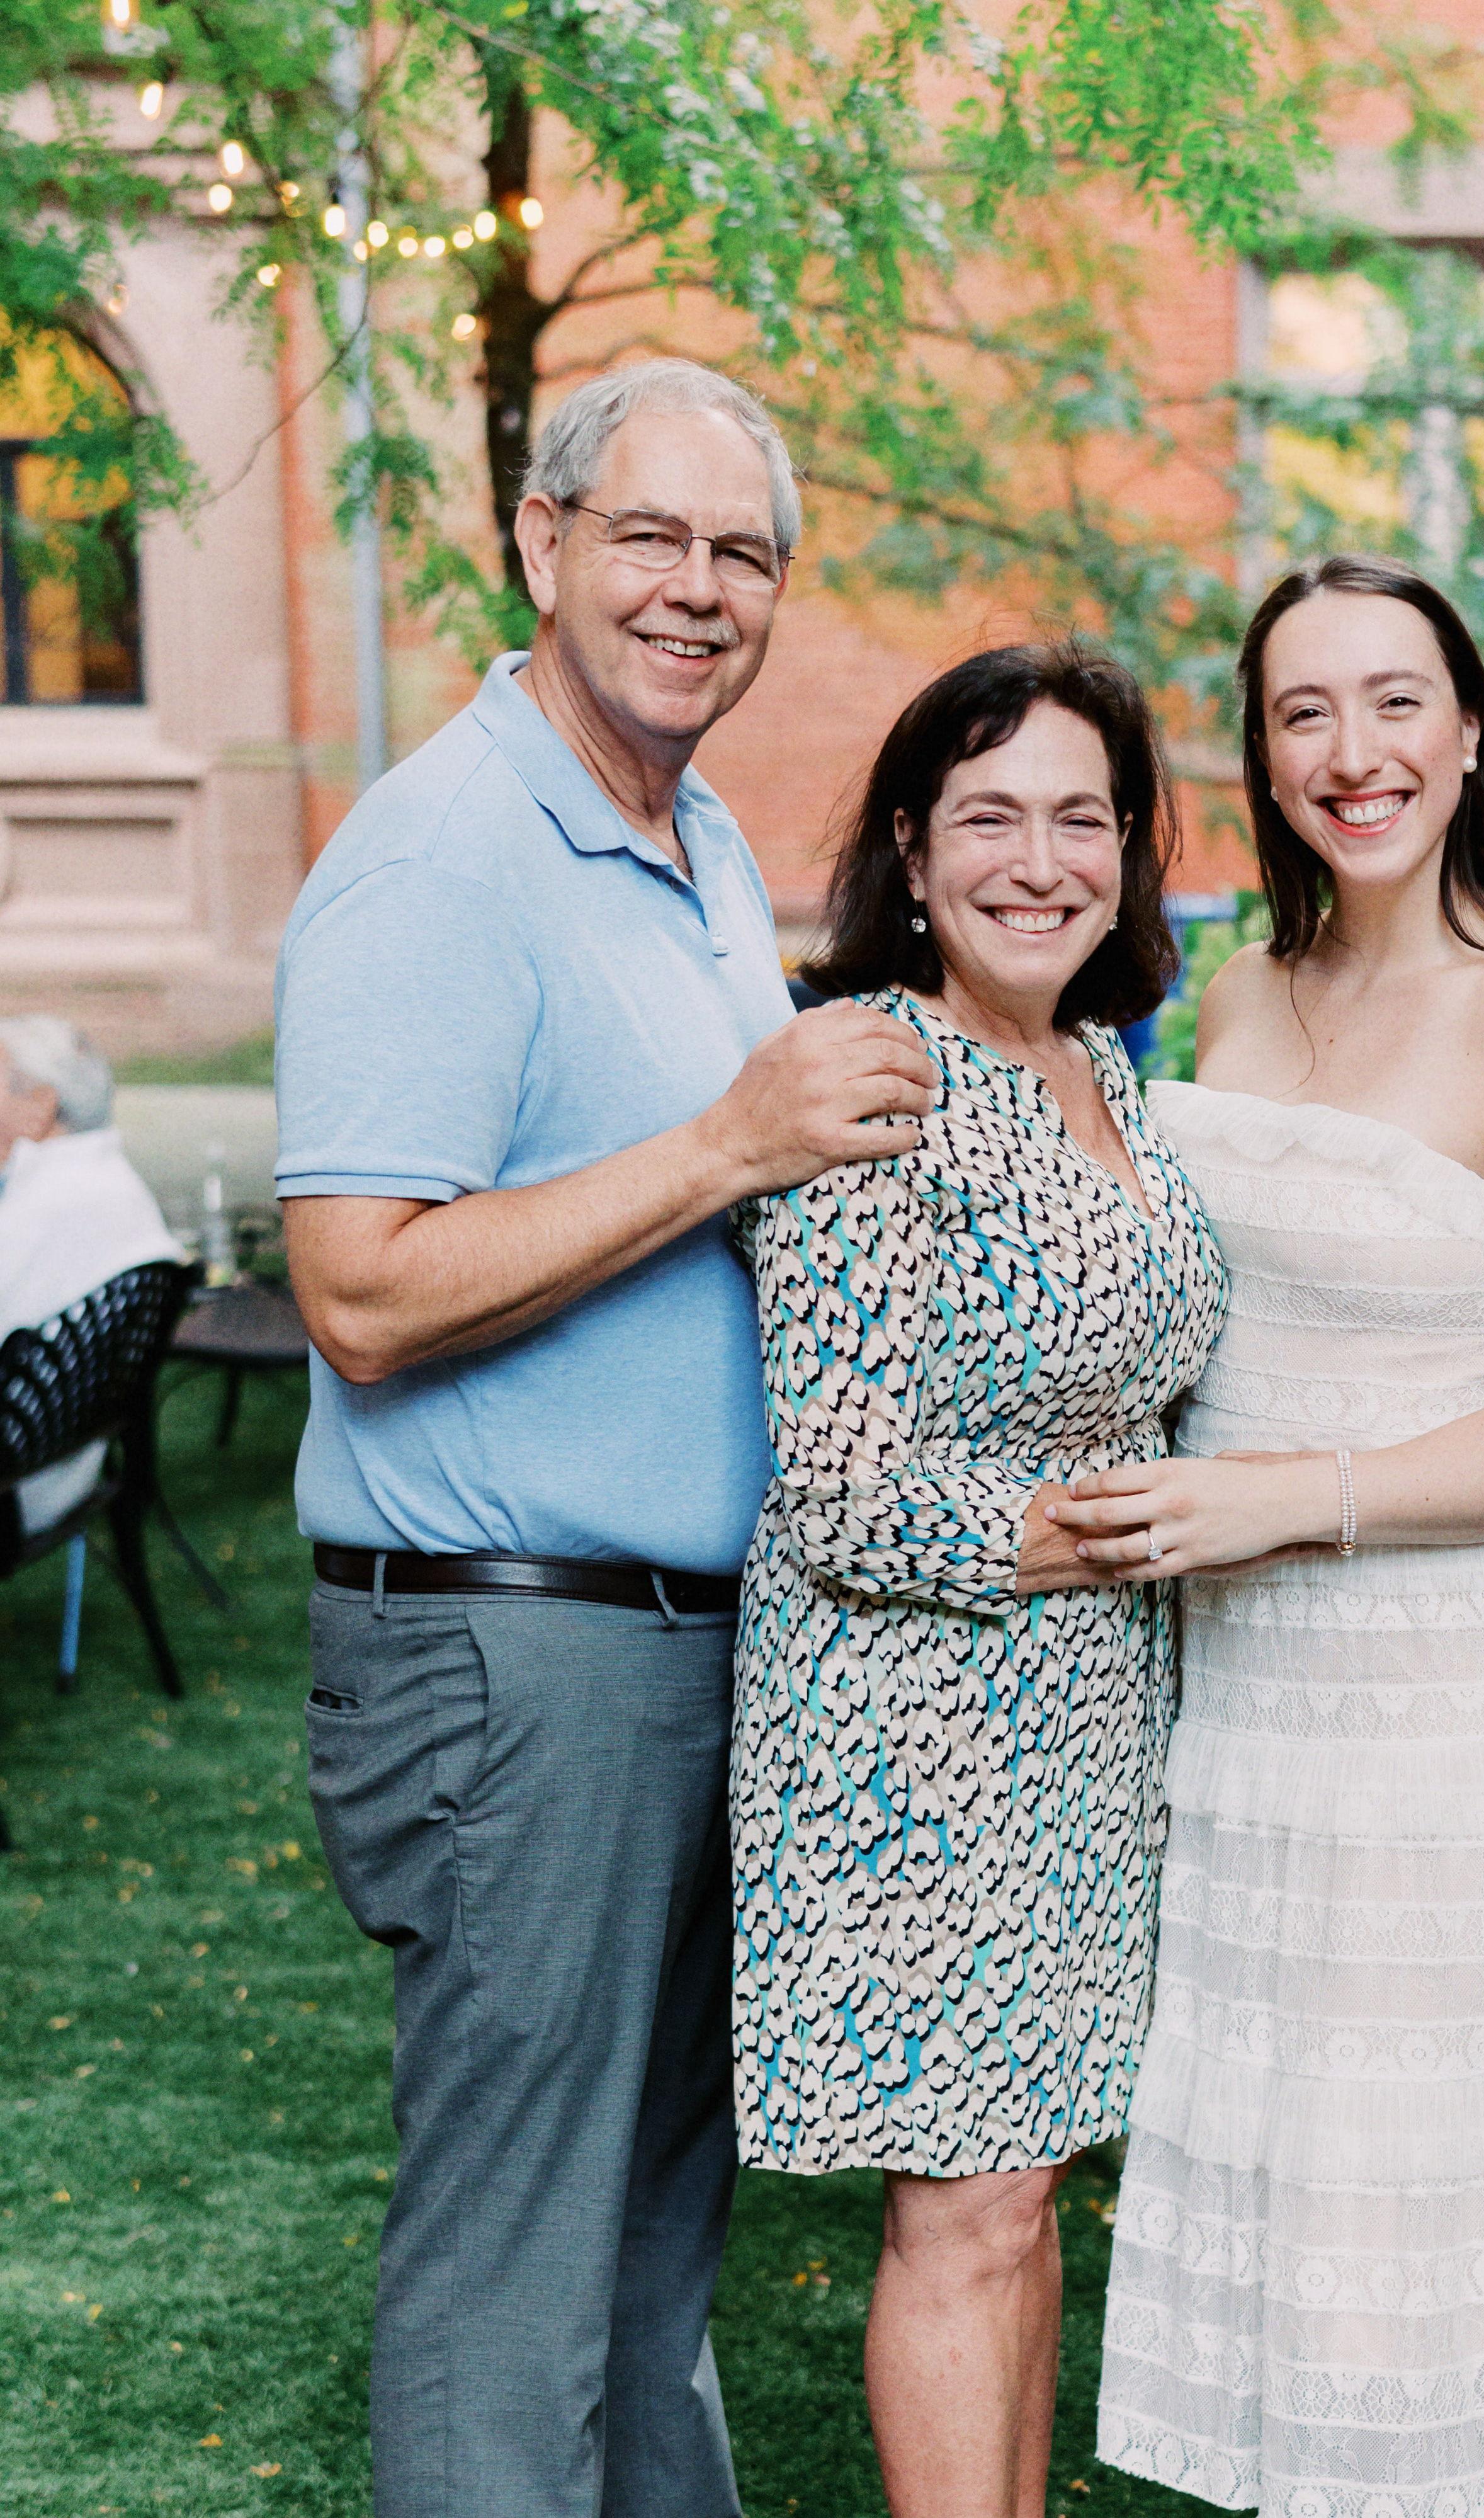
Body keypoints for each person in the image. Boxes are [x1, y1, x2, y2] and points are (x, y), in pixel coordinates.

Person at [275, 358, 937, 2518]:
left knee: (648, 2272)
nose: (696, 588)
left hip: (686, 1648)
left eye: (742, 553)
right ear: (539, 541)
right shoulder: (442, 856)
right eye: (649, 536)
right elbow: (362, 1289)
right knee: (517, 2279)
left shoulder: (692, 834)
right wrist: (728, 1142)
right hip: (516, 1662)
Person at [1062, 555, 1484, 2517]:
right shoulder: (1241, 989)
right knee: (1296, 2221)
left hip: (1449, 1705)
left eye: (1395, 701)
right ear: (1259, 754)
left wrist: (1292, 1499)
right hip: (1253, 1700)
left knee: (1417, 2224)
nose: (1354, 751)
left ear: (1471, 731)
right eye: (1302, 711)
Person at [733, 641, 1227, 2518]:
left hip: (1085, 1721)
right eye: (991, 817)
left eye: (1080, 818)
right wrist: (1130, 1526)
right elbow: (844, 1492)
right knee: (963, 2213)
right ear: (913, 851)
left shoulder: (1098, 1066)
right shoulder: (875, 1069)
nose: (1040, 862)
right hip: (914, 1728)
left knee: (1023, 2199)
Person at [0, 1015, 183, 1535]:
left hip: (17, 1484)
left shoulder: (49, 1202)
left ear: (40, 1104)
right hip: (56, 1464)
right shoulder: (100, 1179)